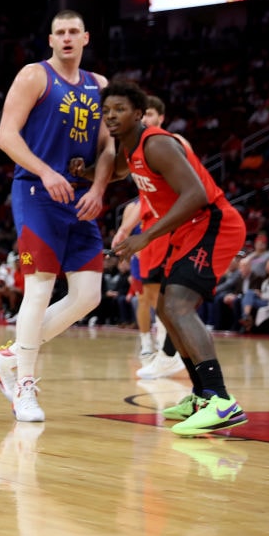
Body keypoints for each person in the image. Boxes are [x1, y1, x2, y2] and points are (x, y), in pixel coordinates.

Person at [0, 9, 113, 422]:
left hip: (78, 198)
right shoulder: (35, 76)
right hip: (36, 192)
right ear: (51, 40)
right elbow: (6, 136)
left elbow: (108, 148)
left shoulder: (100, 85)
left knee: (89, 296)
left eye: (75, 31)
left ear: (86, 38)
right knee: (38, 288)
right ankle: (24, 386)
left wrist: (98, 188)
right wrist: (45, 170)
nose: (68, 38)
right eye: (61, 32)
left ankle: (8, 357)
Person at [102, 81, 247, 435]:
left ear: (138, 113)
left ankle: (221, 400)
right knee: (166, 308)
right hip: (187, 230)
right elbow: (117, 172)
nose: (111, 116)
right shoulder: (129, 149)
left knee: (179, 306)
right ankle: (201, 395)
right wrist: (85, 173)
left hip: (213, 223)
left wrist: (146, 236)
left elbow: (196, 194)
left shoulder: (158, 143)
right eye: (106, 111)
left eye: (119, 109)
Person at [113, 96, 190, 377]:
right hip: (151, 232)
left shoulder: (169, 143)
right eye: (142, 115)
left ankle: (168, 350)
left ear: (161, 118)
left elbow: (193, 189)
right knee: (151, 294)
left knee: (174, 294)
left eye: (151, 115)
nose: (145, 120)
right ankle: (156, 347)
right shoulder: (139, 151)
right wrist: (123, 230)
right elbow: (141, 199)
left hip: (174, 227)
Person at [241, 256, 269, 334]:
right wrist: (258, 293)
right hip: (264, 301)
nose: (266, 267)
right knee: (249, 293)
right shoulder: (266, 280)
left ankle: (246, 317)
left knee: (249, 295)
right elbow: (263, 292)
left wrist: (261, 295)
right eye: (266, 265)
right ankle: (247, 318)